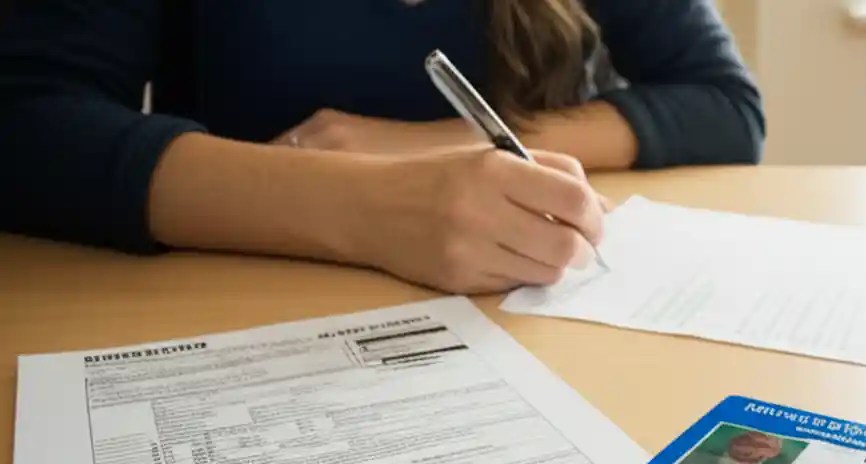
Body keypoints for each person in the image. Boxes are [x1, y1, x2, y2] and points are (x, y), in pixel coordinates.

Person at [0, 0, 762, 293]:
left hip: (519, 329)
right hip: (236, 314)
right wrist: (363, 208)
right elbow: (26, 124)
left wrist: (440, 143)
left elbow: (724, 106)